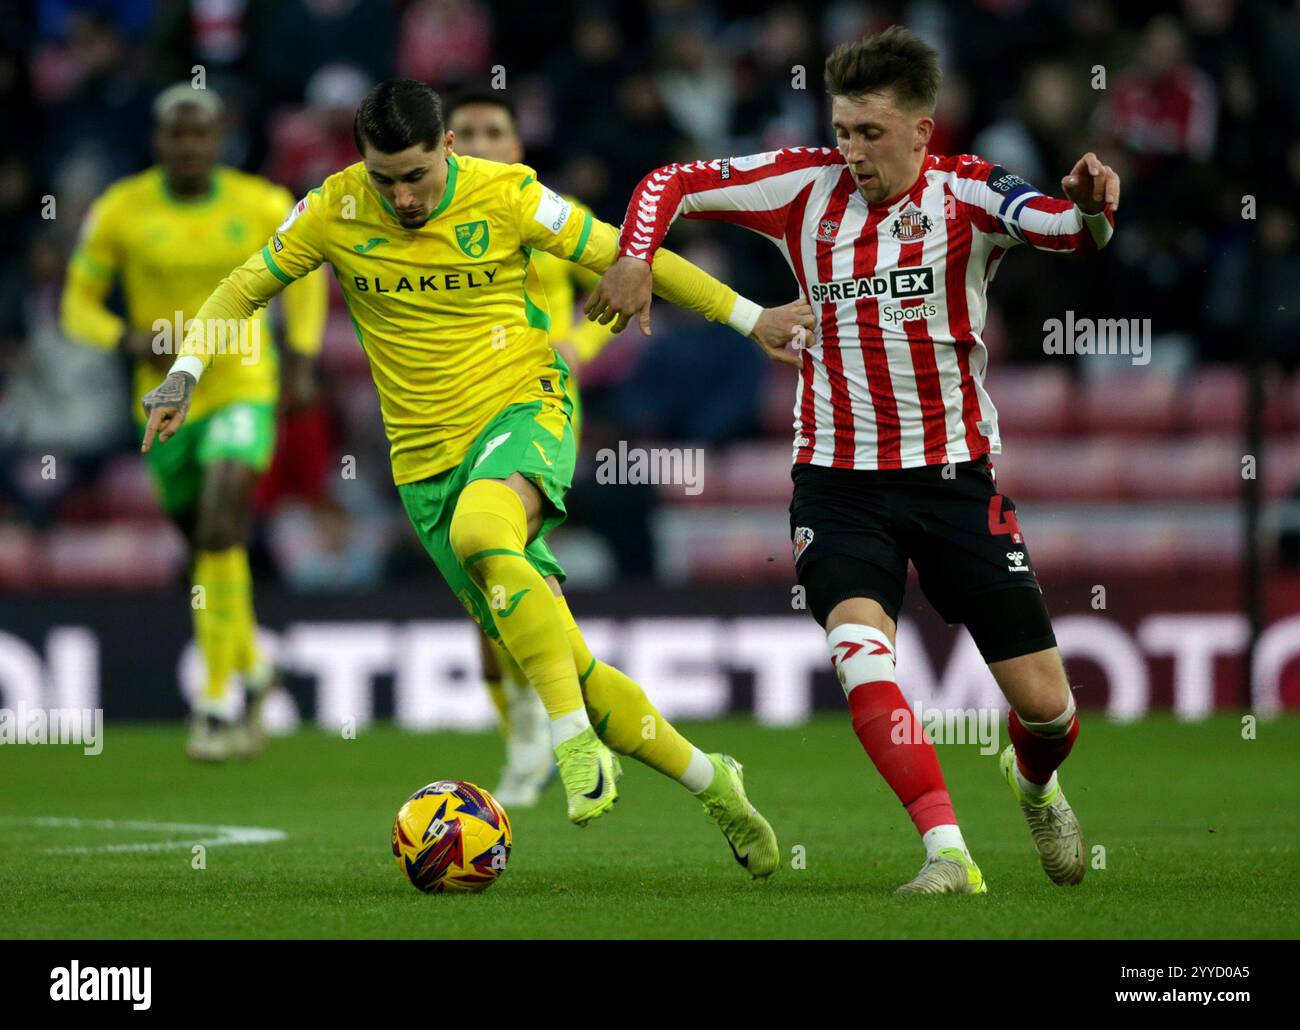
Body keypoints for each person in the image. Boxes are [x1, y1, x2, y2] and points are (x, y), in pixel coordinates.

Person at [139, 79, 814, 877]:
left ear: (449, 149)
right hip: (423, 461)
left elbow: (623, 255)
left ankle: (568, 742)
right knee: (572, 664)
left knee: (483, 533)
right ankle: (715, 783)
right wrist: (183, 371)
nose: (402, 195)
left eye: (417, 175)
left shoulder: (508, 194)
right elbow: (243, 286)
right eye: (384, 177)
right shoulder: (332, 207)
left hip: (522, 407)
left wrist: (751, 316)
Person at [587, 26, 1120, 894]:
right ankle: (947, 853)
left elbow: (1064, 231)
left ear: (921, 128)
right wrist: (636, 256)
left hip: (954, 477)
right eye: (843, 129)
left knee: (1047, 707)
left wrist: (1094, 204)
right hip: (835, 483)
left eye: (872, 133)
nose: (853, 150)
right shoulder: (804, 184)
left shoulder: (971, 191)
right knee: (862, 654)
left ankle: (1032, 781)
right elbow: (669, 182)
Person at [61, 83, 327, 761]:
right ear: (158, 142)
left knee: (218, 523)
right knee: (206, 550)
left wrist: (299, 357)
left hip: (242, 382)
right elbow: (77, 306)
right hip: (166, 401)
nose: (187, 147)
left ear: (218, 138)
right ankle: (257, 669)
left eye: (199, 134)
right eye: (175, 136)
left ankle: (212, 705)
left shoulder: (262, 203)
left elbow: (310, 277)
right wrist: (127, 340)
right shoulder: (121, 210)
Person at [443, 85, 616, 809]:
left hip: (534, 410)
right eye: (467, 131)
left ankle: (555, 731)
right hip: (455, 417)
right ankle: (543, 724)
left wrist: (578, 342)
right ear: (444, 145)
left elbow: (625, 267)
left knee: (499, 566)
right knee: (486, 590)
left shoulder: (536, 211)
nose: (481, 142)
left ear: (518, 149)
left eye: (495, 131)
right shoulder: (433, 222)